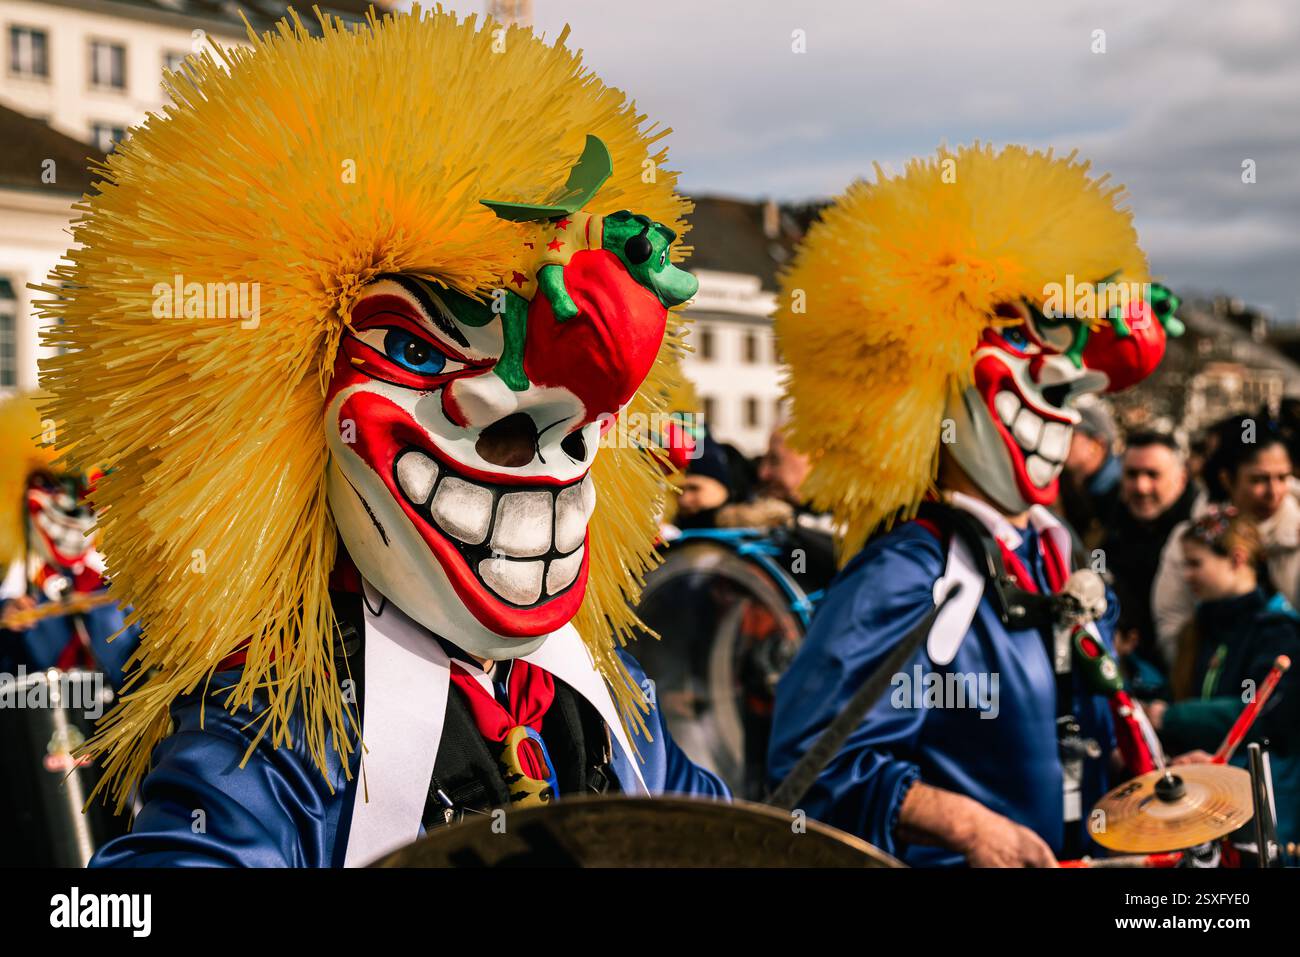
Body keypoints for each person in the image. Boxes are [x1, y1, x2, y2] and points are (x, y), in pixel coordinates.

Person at [38, 8, 726, 868]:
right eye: (413, 349)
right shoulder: (282, 719)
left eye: (569, 404)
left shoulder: (597, 694)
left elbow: (731, 837)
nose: (536, 434)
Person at [766, 144, 1184, 867]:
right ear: (931, 366)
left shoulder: (1058, 549)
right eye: (1020, 335)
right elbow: (809, 768)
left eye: (1072, 349)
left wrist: (1160, 772)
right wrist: (959, 822)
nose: (1072, 383)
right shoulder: (908, 570)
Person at [1145, 507, 1300, 845]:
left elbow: (1263, 713)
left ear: (1236, 559)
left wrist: (1170, 717)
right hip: (1206, 800)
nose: (1186, 575)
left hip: (1262, 804)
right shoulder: (1202, 628)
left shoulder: (1276, 630)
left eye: (1195, 563)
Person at [0, 392, 139, 689]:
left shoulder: (129, 576)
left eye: (88, 485)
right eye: (51, 483)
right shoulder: (14, 584)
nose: (72, 503)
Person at [1152, 414, 1300, 668]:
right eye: (1258, 480)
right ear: (1227, 480)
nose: (1273, 492)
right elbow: (1172, 621)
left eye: (1282, 478)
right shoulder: (1190, 540)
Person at [1100, 431, 1199, 683]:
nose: (1141, 487)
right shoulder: (1106, 528)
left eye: (1153, 475)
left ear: (1181, 479)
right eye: (1132, 474)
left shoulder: (1204, 535)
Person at [1058, 400, 1122, 551]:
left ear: (1097, 444)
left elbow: (1099, 557)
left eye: (1070, 434)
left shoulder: (1121, 497)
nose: (1059, 440)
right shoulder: (1067, 484)